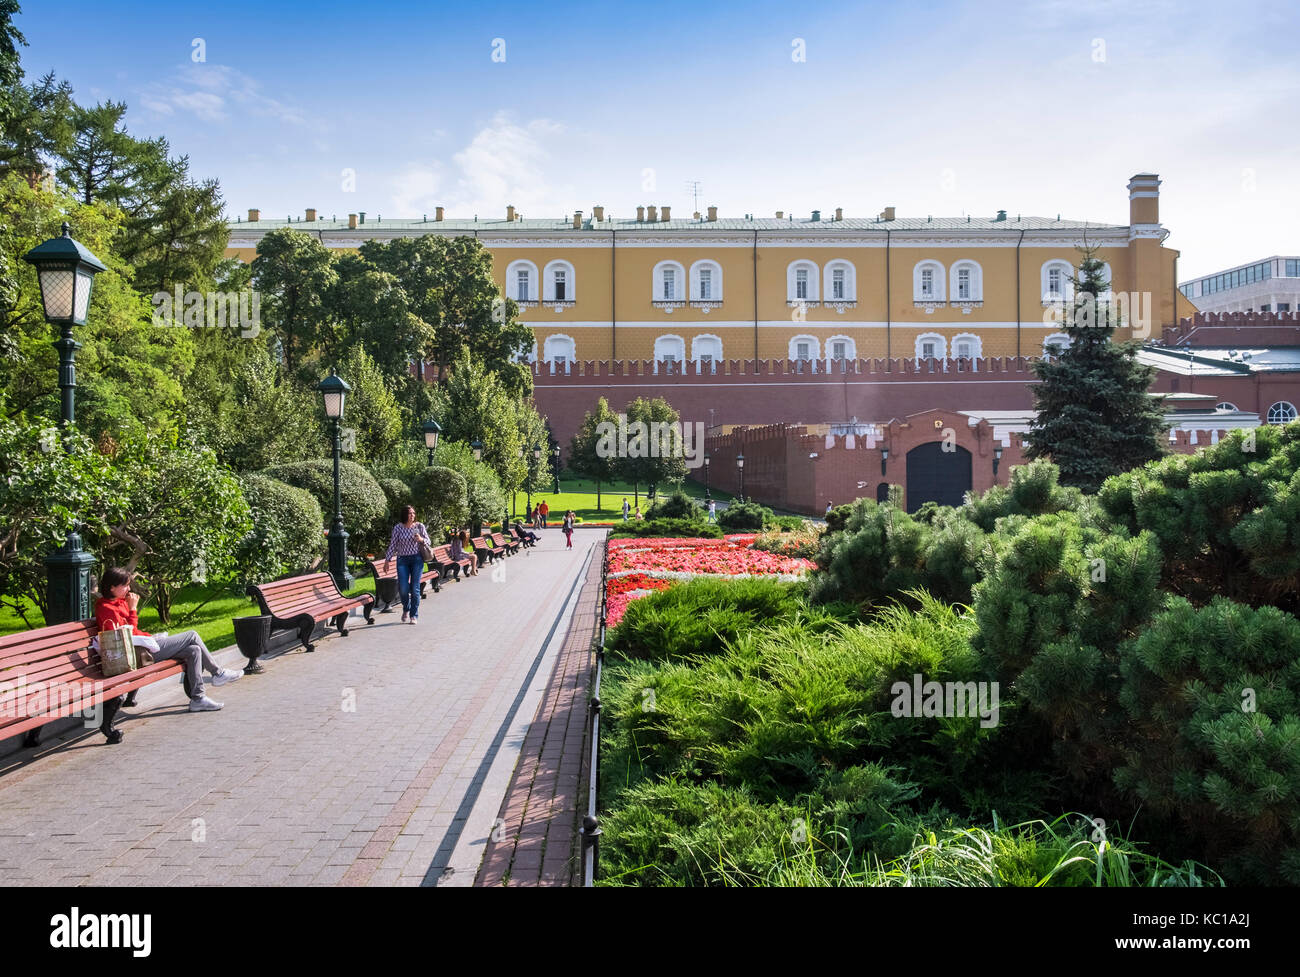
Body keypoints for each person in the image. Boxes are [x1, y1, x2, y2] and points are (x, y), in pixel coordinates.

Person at [95, 567, 242, 714]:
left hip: (142, 648)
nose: (128, 589)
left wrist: (148, 634)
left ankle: (198, 699)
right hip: (135, 655)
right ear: (112, 587)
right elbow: (127, 635)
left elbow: (133, 632)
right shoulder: (106, 608)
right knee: (192, 635)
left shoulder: (120, 602)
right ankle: (218, 673)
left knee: (194, 650)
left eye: (128, 585)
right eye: (125, 585)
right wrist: (133, 609)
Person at [383, 505, 433, 624]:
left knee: (415, 588)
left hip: (417, 559)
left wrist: (421, 539)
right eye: (410, 513)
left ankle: (414, 615)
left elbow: (428, 541)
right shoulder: (398, 528)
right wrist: (387, 560)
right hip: (402, 561)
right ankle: (406, 608)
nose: (412, 515)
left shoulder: (419, 526)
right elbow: (393, 545)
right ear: (405, 514)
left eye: (414, 513)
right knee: (403, 588)